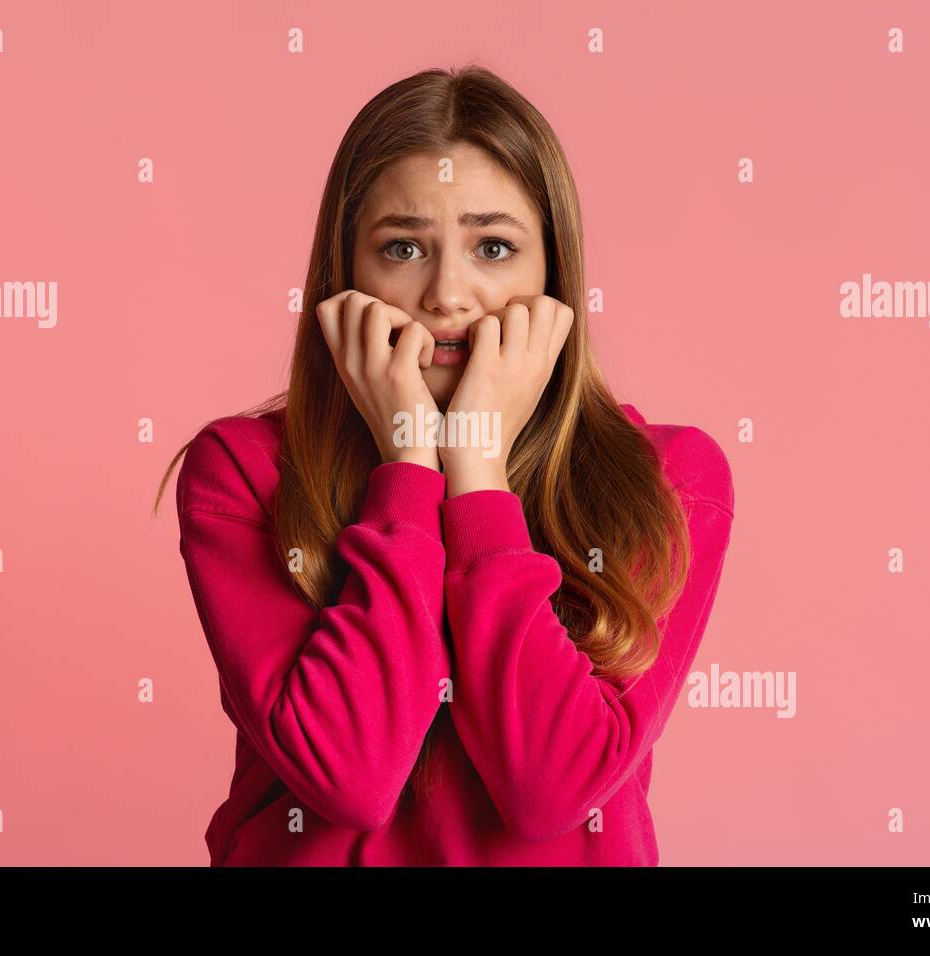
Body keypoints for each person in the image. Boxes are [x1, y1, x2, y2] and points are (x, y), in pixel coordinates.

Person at [153, 64, 735, 866]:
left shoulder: (669, 476)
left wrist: (478, 471)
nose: (448, 294)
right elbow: (350, 777)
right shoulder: (244, 470)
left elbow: (551, 792)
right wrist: (408, 464)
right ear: (346, 274)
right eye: (402, 248)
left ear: (553, 274)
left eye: (493, 247)